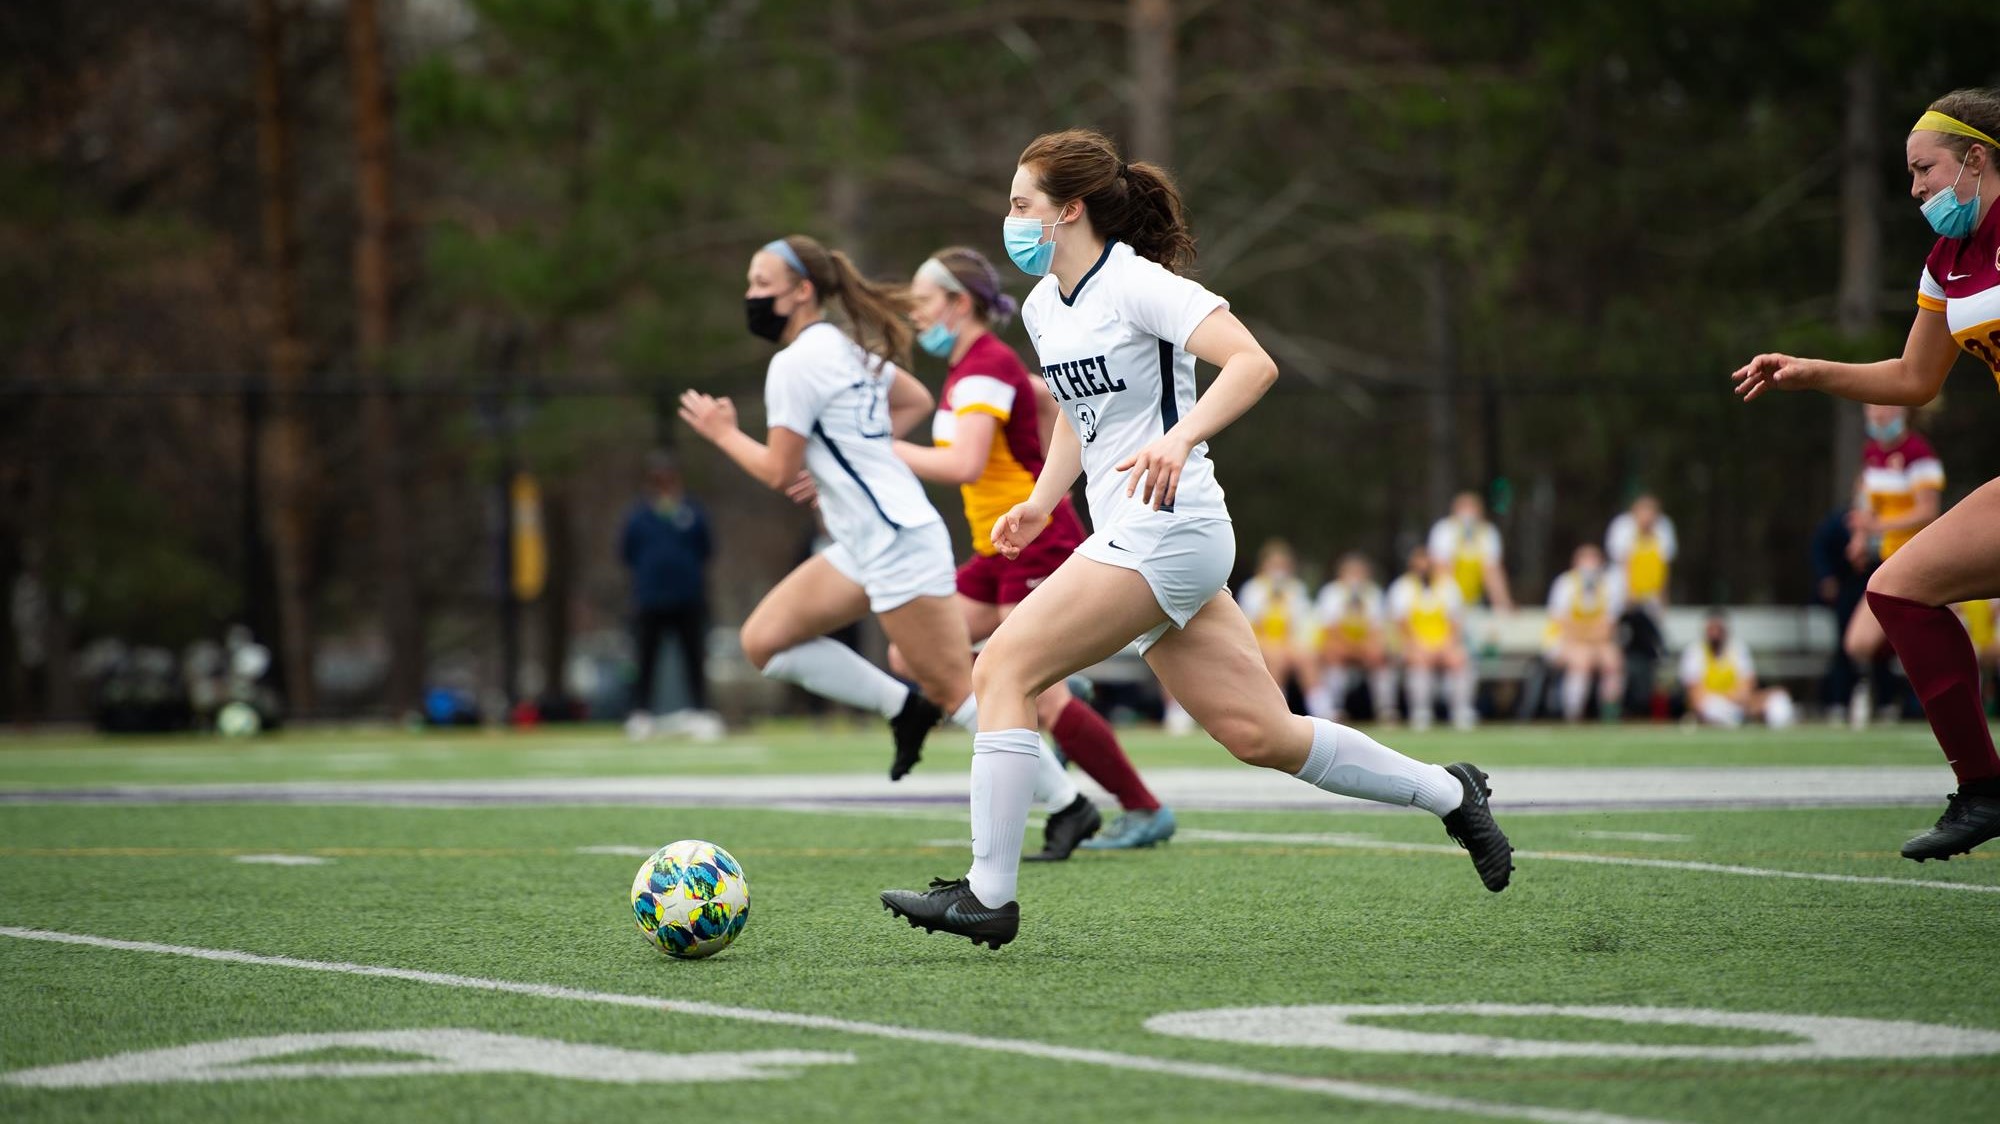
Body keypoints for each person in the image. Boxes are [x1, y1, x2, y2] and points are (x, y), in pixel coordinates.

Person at [881, 129, 1511, 949]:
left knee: (1002, 665)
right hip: (1144, 537)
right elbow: (1081, 412)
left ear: (1070, 210)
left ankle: (987, 895)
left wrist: (1180, 441)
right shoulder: (1043, 306)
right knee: (1262, 734)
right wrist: (1042, 500)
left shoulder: (1140, 285)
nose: (1011, 219)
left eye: (1022, 204)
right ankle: (1452, 795)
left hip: (1172, 529)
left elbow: (1252, 364)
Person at [1731, 87, 2000, 861]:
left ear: (1976, 159)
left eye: (1925, 169)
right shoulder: (1948, 258)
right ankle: (1984, 789)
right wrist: (1811, 371)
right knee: (1896, 589)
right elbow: (1917, 379)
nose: (1915, 188)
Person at [891, 244, 1175, 855]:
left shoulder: (984, 365)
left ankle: (1143, 808)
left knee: (1033, 690)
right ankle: (1072, 701)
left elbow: (965, 461)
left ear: (958, 304)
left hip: (1036, 542)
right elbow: (1046, 404)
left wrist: (876, 450)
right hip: (997, 548)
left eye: (922, 302)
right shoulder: (977, 366)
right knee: (912, 651)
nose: (914, 315)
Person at [678, 234, 984, 775]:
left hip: (897, 539)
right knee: (764, 643)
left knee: (955, 689)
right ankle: (904, 709)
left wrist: (722, 433)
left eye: (761, 283)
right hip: (866, 541)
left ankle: (1066, 802)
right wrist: (854, 458)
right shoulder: (839, 348)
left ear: (801, 292)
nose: (750, 294)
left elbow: (778, 469)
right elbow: (915, 397)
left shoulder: (797, 362)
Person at [1840, 403, 1944, 728]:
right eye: (1871, 411)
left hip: (1920, 560)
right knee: (1857, 643)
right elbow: (1865, 505)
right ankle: (1884, 694)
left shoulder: (1918, 453)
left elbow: (1929, 512)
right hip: (1887, 563)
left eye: (1883, 410)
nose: (1877, 416)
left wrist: (1876, 527)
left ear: (1901, 410)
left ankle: (1921, 697)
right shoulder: (1871, 453)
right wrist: (1860, 538)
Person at [618, 450, 716, 740]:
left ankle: (699, 712)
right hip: (650, 599)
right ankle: (640, 714)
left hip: (688, 598)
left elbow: (706, 549)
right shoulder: (638, 517)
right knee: (645, 660)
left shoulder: (692, 513)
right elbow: (626, 552)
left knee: (694, 658)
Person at [1386, 545, 1475, 731]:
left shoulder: (1448, 586)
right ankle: (1421, 712)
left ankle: (1461, 712)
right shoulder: (1402, 588)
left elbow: (1455, 623)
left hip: (1443, 644)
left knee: (1459, 659)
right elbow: (1401, 626)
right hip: (1414, 646)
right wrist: (1418, 647)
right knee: (1419, 660)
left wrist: (1447, 646)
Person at [1309, 553, 1396, 723]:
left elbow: (1377, 630)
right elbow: (1331, 631)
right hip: (1340, 646)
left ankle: (1386, 709)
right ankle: (1334, 709)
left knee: (1379, 656)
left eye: (1360, 573)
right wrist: (1355, 649)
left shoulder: (1373, 594)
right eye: (1352, 573)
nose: (1356, 578)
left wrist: (1367, 649)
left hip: (1362, 647)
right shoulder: (1331, 594)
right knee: (1334, 654)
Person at [1547, 543, 1626, 723]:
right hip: (1562, 640)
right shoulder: (1565, 584)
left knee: (1613, 659)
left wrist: (1588, 636)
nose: (1590, 565)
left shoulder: (1610, 586)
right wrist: (1589, 635)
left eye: (1594, 560)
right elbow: (1563, 625)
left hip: (1595, 641)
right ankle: (1573, 714)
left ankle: (1609, 714)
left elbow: (1608, 628)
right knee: (1581, 659)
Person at [1236, 539, 1317, 712]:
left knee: (1306, 659)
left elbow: (1302, 625)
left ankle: (1322, 709)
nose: (1278, 570)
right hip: (1260, 643)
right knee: (1275, 658)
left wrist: (1293, 646)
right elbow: (1248, 625)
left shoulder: (1296, 590)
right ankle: (1278, 711)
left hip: (1289, 644)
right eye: (1274, 564)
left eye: (1282, 565)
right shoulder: (1253, 589)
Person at [1679, 611, 1796, 729]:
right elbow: (1695, 695)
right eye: (1711, 629)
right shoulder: (1694, 652)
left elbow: (1748, 687)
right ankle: (1740, 721)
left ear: (1725, 631)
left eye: (1718, 629)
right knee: (1712, 706)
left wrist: (1737, 699)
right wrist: (1728, 697)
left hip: (1740, 705)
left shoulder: (1738, 649)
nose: (1715, 634)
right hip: (1714, 707)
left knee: (1779, 698)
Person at [1427, 491, 1514, 611]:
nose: (1468, 512)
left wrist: (1503, 603)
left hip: (1474, 599)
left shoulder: (1488, 532)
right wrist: (1449, 604)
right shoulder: (1444, 529)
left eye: (1472, 507)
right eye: (1464, 507)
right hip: (1445, 599)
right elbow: (1441, 569)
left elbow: (1492, 571)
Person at [1605, 494, 1678, 616]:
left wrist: (1663, 593)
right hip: (1624, 588)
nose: (1647, 517)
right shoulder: (1622, 527)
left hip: (1651, 590)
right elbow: (1624, 561)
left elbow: (1664, 564)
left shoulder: (1664, 527)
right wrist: (1629, 591)